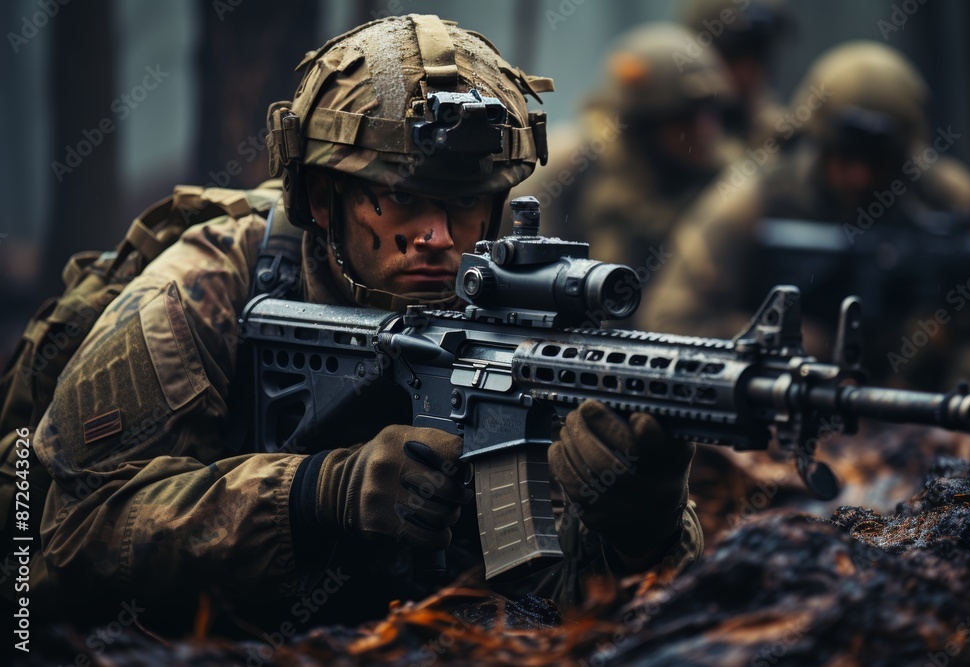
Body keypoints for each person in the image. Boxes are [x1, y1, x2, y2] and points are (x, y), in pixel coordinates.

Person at [31, 15, 702, 633]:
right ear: (324, 198)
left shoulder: (515, 329)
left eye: (466, 202)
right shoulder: (201, 289)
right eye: (403, 200)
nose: (437, 238)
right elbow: (66, 546)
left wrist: (642, 521)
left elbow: (561, 600)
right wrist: (316, 493)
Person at [640, 41, 970, 399]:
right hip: (787, 407)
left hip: (925, 409)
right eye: (844, 156)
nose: (858, 176)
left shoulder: (949, 198)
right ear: (818, 140)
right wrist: (777, 340)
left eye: (876, 161)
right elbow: (669, 321)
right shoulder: (753, 199)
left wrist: (969, 393)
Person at [506, 22, 739, 322]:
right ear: (643, 125)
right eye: (682, 118)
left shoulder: (726, 175)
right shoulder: (572, 165)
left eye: (710, 113)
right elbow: (524, 275)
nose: (704, 130)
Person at [681, 0, 794, 147]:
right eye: (732, 58)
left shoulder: (781, 134)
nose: (746, 74)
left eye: (758, 55)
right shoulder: (683, 138)